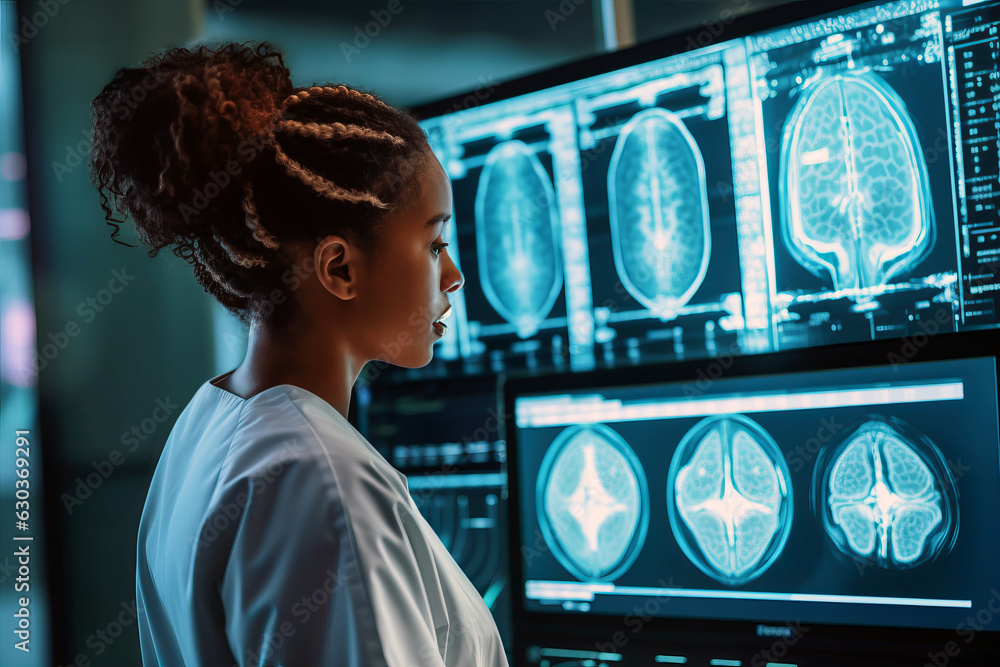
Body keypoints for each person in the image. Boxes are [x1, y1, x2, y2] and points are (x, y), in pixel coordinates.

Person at [88, 40, 508, 667]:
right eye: (433, 243)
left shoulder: (209, 421)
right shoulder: (321, 479)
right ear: (339, 268)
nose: (453, 277)